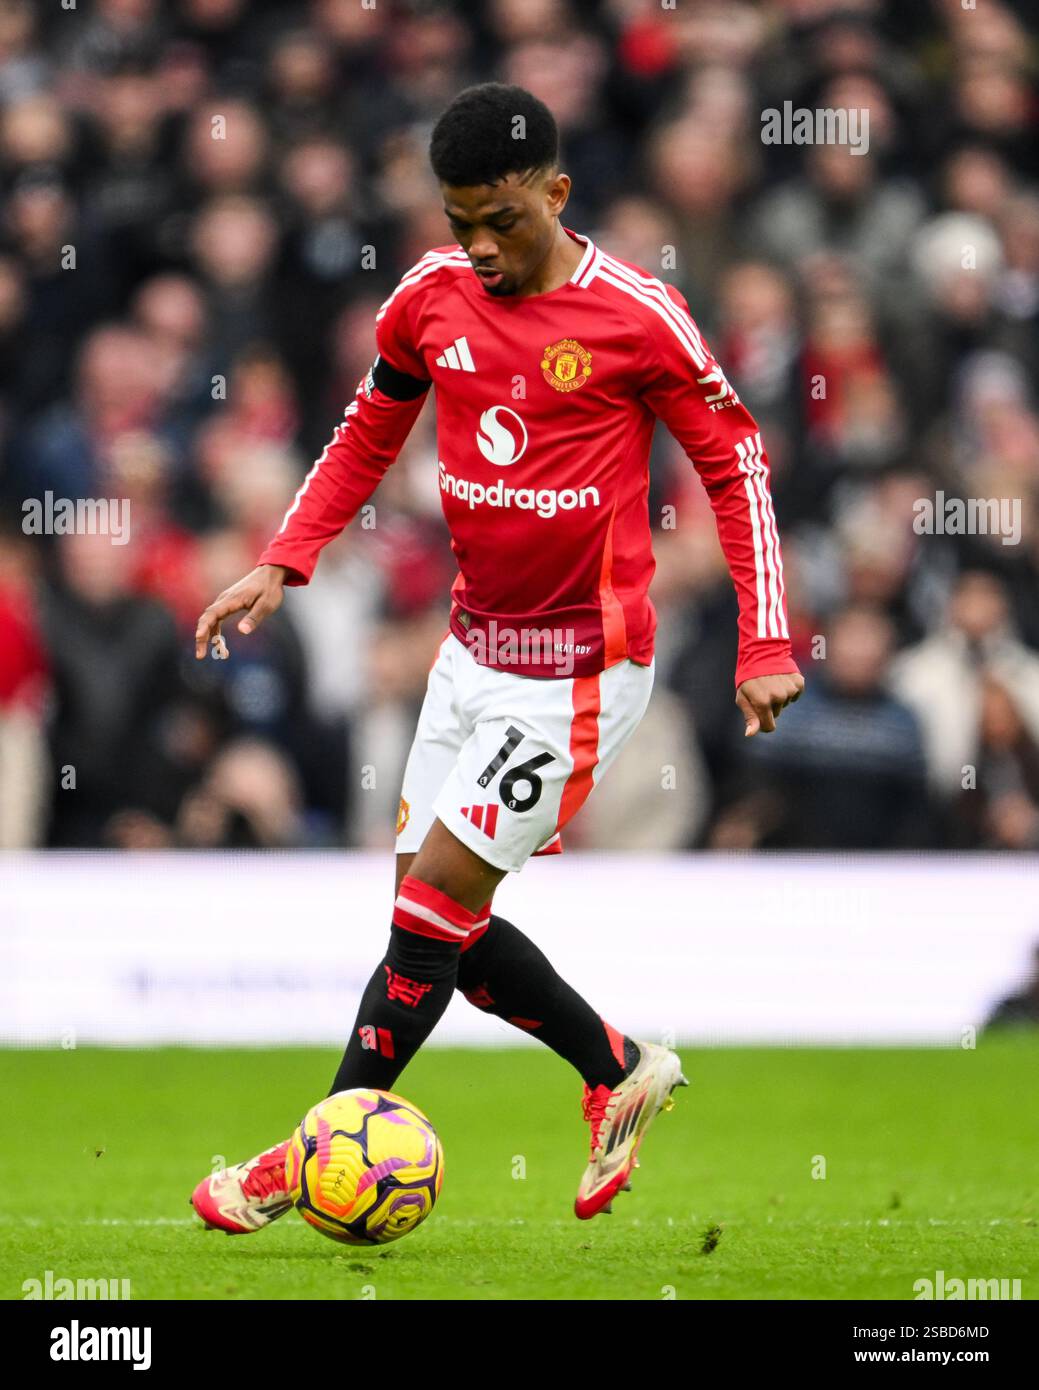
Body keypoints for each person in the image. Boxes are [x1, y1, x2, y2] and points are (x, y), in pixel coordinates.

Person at [190, 84, 803, 1230]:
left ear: (556, 194)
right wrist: (286, 558)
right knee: (431, 925)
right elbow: (371, 422)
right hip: (468, 656)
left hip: (579, 671)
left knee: (430, 912)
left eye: (500, 221)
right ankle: (615, 1063)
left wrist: (764, 638)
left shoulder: (638, 316)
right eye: (457, 220)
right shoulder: (431, 296)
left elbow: (735, 464)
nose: (477, 246)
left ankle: (310, 1150)